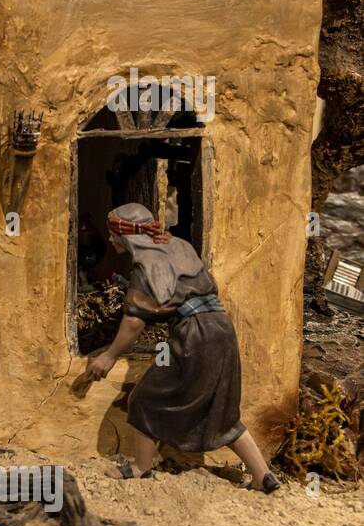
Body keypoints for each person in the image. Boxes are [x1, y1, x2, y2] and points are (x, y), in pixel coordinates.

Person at [86, 202, 279, 492]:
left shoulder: (146, 265)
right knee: (223, 412)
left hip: (195, 335)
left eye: (114, 234)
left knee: (144, 400)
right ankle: (263, 475)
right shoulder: (179, 246)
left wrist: (110, 355)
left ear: (128, 237)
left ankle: (140, 468)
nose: (111, 239)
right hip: (221, 329)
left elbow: (134, 323)